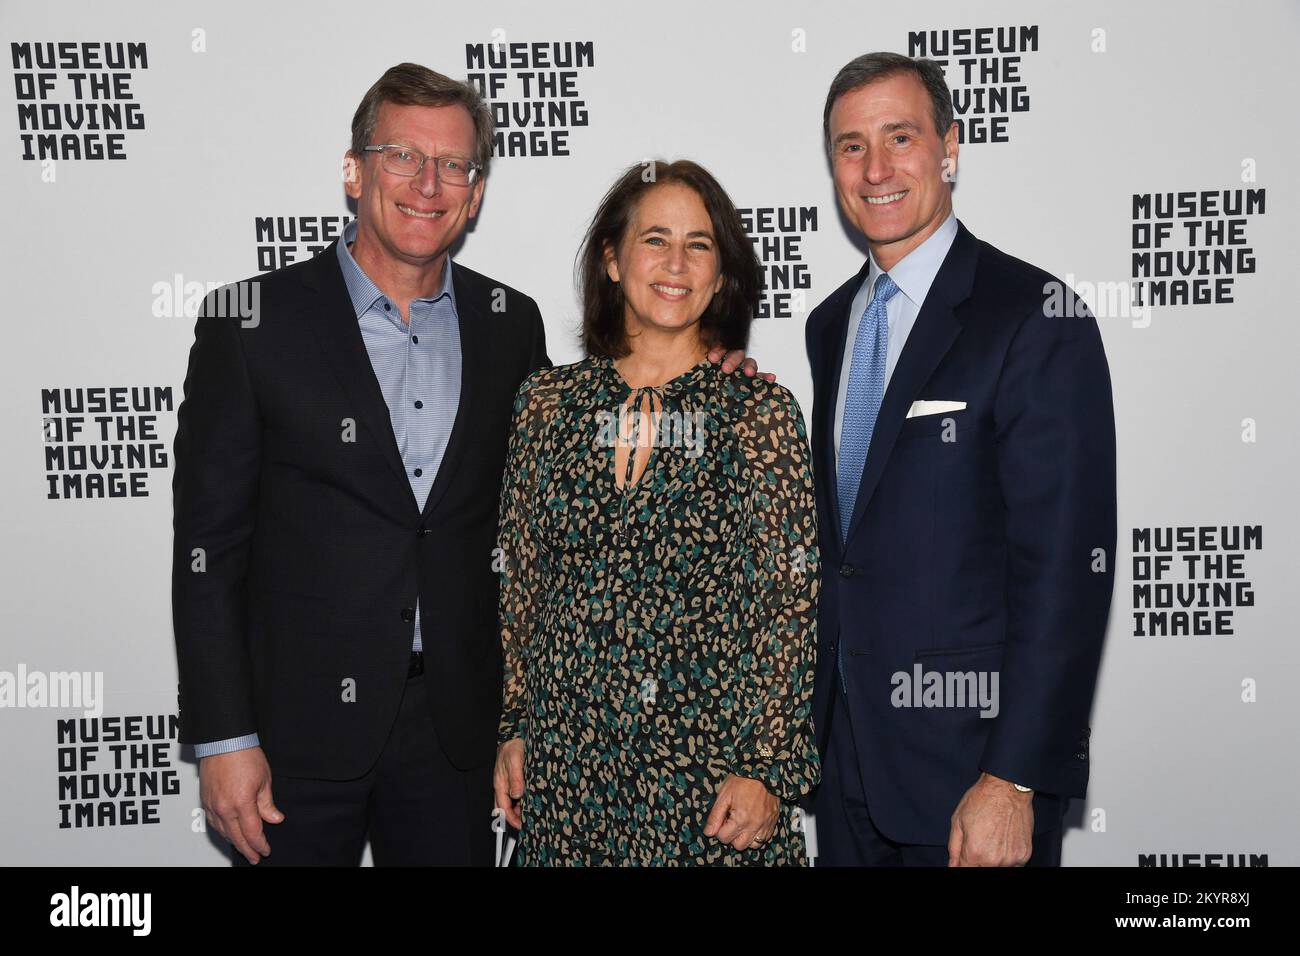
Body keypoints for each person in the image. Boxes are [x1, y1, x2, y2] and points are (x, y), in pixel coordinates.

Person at [172, 63, 765, 867]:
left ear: (476, 192)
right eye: (401, 156)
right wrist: (222, 736)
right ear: (356, 170)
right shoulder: (251, 325)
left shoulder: (507, 325)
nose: (428, 183)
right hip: (293, 738)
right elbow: (208, 553)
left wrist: (713, 380)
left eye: (455, 165)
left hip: (457, 737)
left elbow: (587, 456)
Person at [807, 52, 1116, 866]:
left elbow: (1064, 572)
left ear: (950, 147)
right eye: (850, 145)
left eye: (900, 137)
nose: (875, 169)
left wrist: (1013, 779)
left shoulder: (1034, 316)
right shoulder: (830, 325)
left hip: (969, 781)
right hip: (843, 773)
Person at [492, 160, 820, 865]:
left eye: (699, 245)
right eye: (655, 240)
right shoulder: (546, 406)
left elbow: (788, 607)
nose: (676, 263)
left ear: (722, 273)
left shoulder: (758, 412)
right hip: (567, 775)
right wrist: (513, 726)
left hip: (709, 783)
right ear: (612, 259)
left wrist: (767, 767)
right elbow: (521, 587)